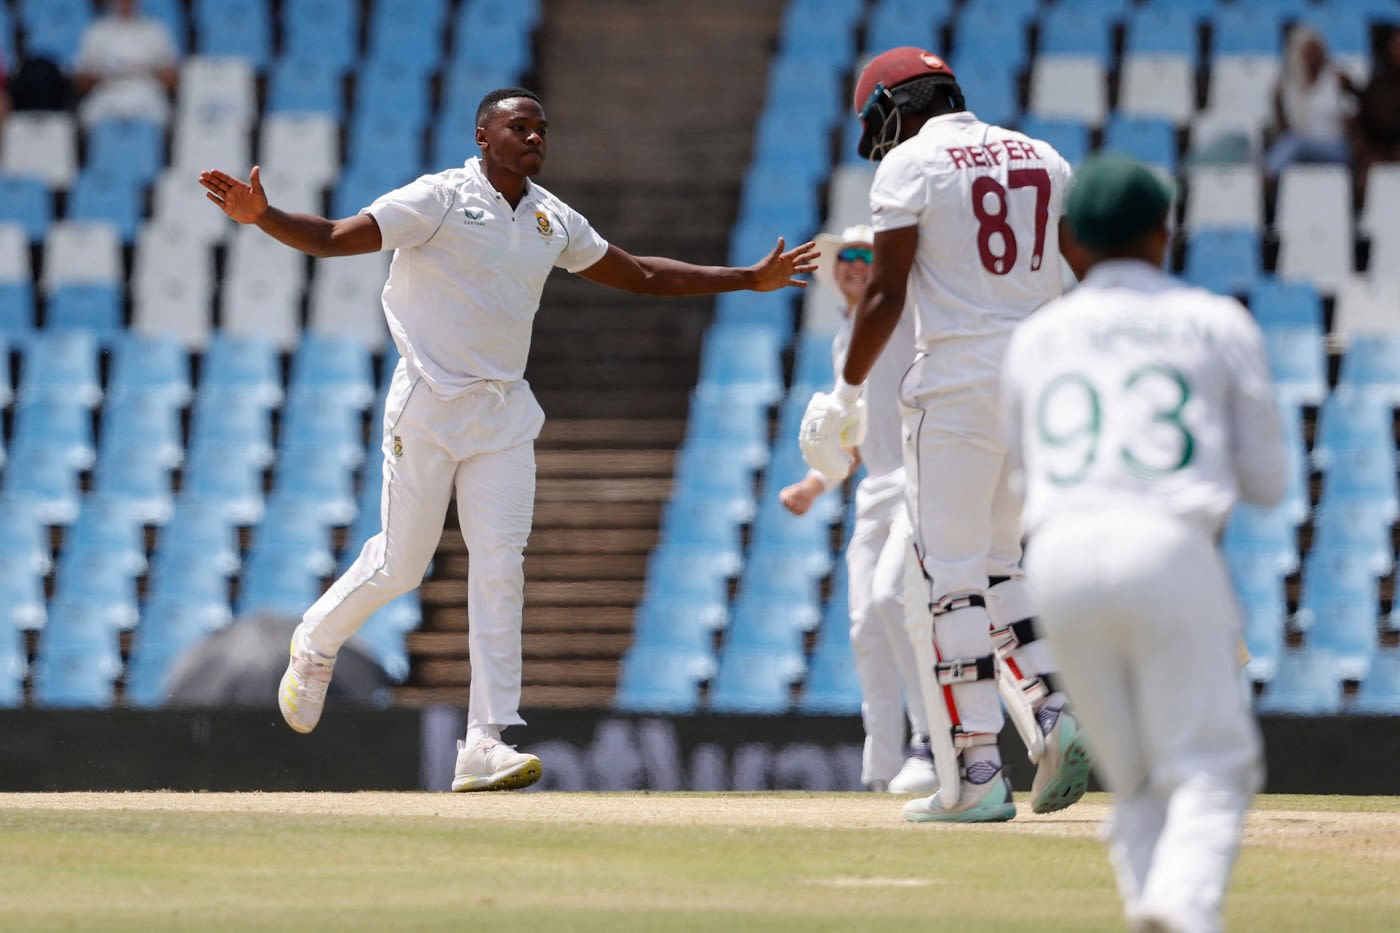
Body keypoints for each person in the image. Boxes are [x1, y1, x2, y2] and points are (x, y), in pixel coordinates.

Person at [199, 87, 818, 792]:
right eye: (518, 127)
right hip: (429, 407)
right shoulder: (438, 198)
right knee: (402, 566)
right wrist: (265, 216)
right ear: (482, 135)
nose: (534, 138)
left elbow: (640, 273)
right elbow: (339, 238)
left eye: (541, 129)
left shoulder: (552, 218)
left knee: (500, 568)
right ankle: (315, 641)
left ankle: (484, 740)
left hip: (502, 416)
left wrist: (747, 279)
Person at [798, 47, 1090, 823]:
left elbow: (887, 293)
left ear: (899, 103)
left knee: (944, 579)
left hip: (957, 387)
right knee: (1000, 562)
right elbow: (1086, 266)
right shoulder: (1044, 156)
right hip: (1036, 382)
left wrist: (846, 392)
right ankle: (1052, 709)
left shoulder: (910, 166)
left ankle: (975, 773)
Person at [1000, 153, 1286, 933]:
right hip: (1167, 544)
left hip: (1058, 557)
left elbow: (1024, 471)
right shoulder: (1215, 320)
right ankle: (1180, 907)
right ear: (1166, 231)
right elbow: (1268, 479)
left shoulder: (1036, 338)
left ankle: (1153, 907)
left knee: (1134, 778)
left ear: (1070, 241)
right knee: (1212, 766)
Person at [779, 224, 937, 796]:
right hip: (875, 491)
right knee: (866, 624)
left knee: (893, 600)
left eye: (866, 255)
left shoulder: (904, 311)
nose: (853, 263)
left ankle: (931, 743)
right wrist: (814, 484)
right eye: (845, 255)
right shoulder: (844, 337)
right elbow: (855, 436)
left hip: (921, 479)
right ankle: (883, 767)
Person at [1263, 25, 1357, 181]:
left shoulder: (1337, 79)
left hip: (1335, 147)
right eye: (1309, 52)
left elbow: (1354, 112)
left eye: (1318, 51)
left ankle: (1267, 175)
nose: (1315, 57)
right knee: (1294, 142)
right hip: (1302, 148)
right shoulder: (1288, 84)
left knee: (1296, 142)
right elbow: (1284, 125)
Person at [72, 0, 179, 128]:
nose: (125, 3)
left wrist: (148, 71)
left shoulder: (156, 29)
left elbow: (172, 76)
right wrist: (103, 75)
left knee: (165, 117)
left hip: (146, 90)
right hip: (106, 90)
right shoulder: (96, 30)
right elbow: (80, 78)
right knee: (86, 117)